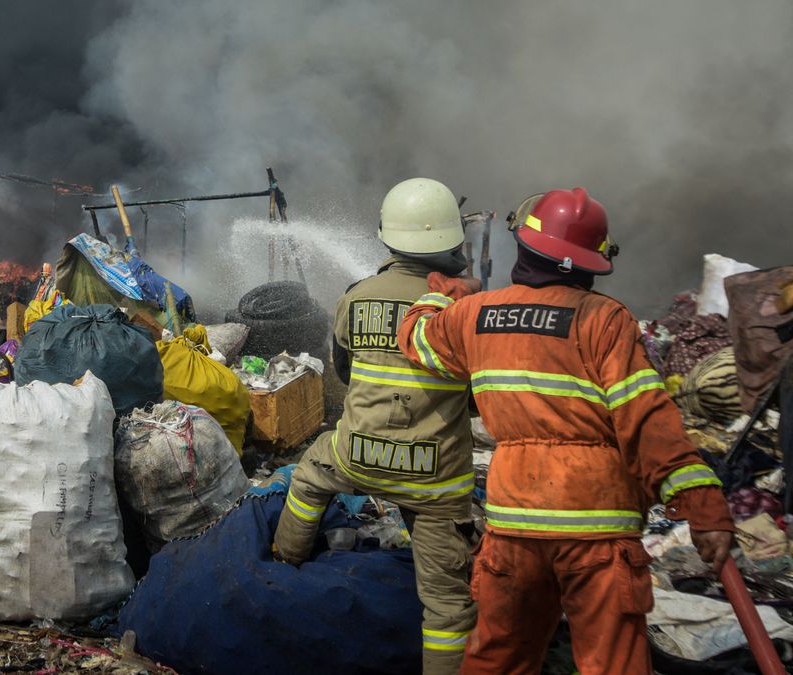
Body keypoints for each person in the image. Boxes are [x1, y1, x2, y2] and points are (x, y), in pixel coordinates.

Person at [398, 187, 734, 674]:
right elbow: (645, 418)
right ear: (589, 262)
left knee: (498, 659)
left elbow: (417, 341)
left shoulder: (475, 315)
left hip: (515, 522)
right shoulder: (605, 319)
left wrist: (440, 293)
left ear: (525, 246)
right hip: (599, 529)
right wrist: (702, 502)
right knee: (612, 665)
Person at [273, 177, 478, 675]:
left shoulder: (355, 296)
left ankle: (284, 563)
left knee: (310, 473)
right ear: (452, 241)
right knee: (448, 605)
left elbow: (343, 372)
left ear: (387, 235)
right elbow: (475, 399)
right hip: (436, 480)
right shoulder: (464, 309)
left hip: (358, 456)